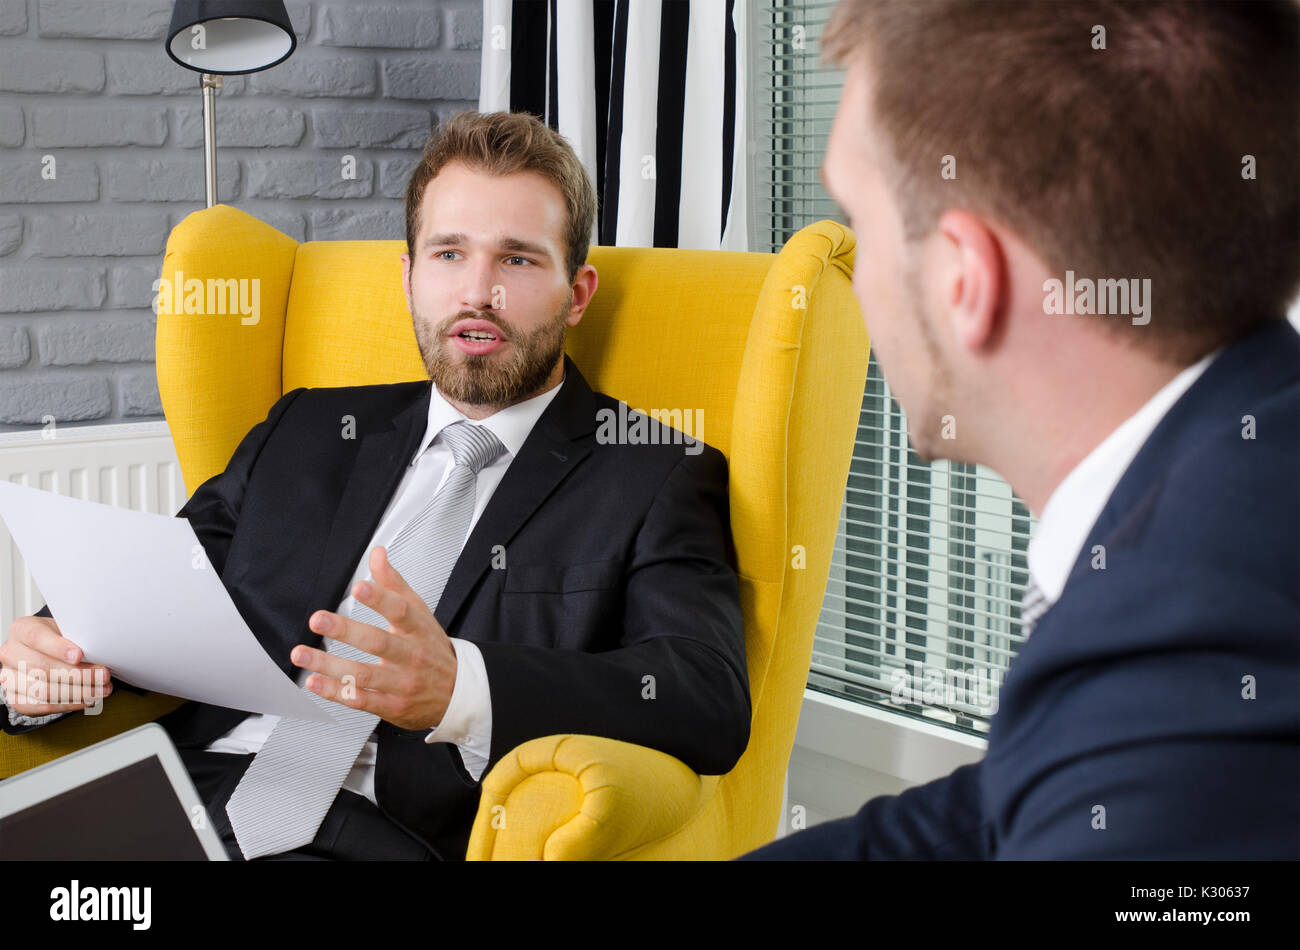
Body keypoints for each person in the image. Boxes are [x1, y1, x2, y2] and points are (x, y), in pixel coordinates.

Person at [0, 110, 751, 861]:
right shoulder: (307, 429)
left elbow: (703, 695)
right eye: (449, 253)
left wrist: (463, 688)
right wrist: (48, 656)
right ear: (409, 275)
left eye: (518, 260)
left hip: (375, 835)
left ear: (578, 292)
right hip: (179, 798)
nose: (477, 293)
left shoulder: (653, 470)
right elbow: (162, 588)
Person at [744, 0, 1299, 859]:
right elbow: (1001, 810)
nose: (855, 284)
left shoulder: (1200, 650)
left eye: (861, 224)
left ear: (966, 277)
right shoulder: (1248, 465)